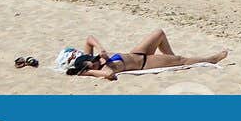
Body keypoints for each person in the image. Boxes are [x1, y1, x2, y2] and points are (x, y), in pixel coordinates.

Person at [64, 29, 228, 80]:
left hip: (137, 52)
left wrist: (100, 49)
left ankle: (171, 59)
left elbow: (89, 39)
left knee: (159, 33)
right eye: (93, 65)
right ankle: (211, 59)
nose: (96, 62)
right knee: (181, 60)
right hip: (145, 63)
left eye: (93, 60)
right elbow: (110, 75)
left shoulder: (95, 58)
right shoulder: (103, 68)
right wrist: (90, 71)